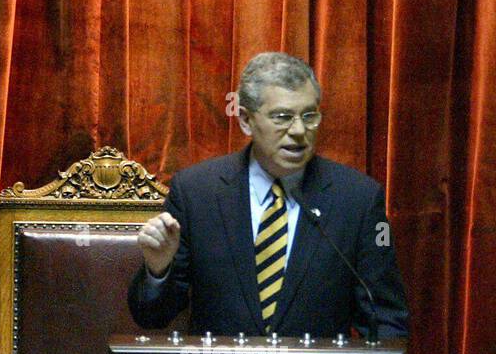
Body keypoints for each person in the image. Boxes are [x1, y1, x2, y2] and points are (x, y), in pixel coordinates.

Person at [129, 52, 409, 339]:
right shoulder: (196, 193)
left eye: (309, 116)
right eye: (283, 117)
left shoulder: (357, 200)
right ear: (246, 121)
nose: (299, 131)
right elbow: (152, 318)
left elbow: (387, 320)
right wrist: (158, 270)